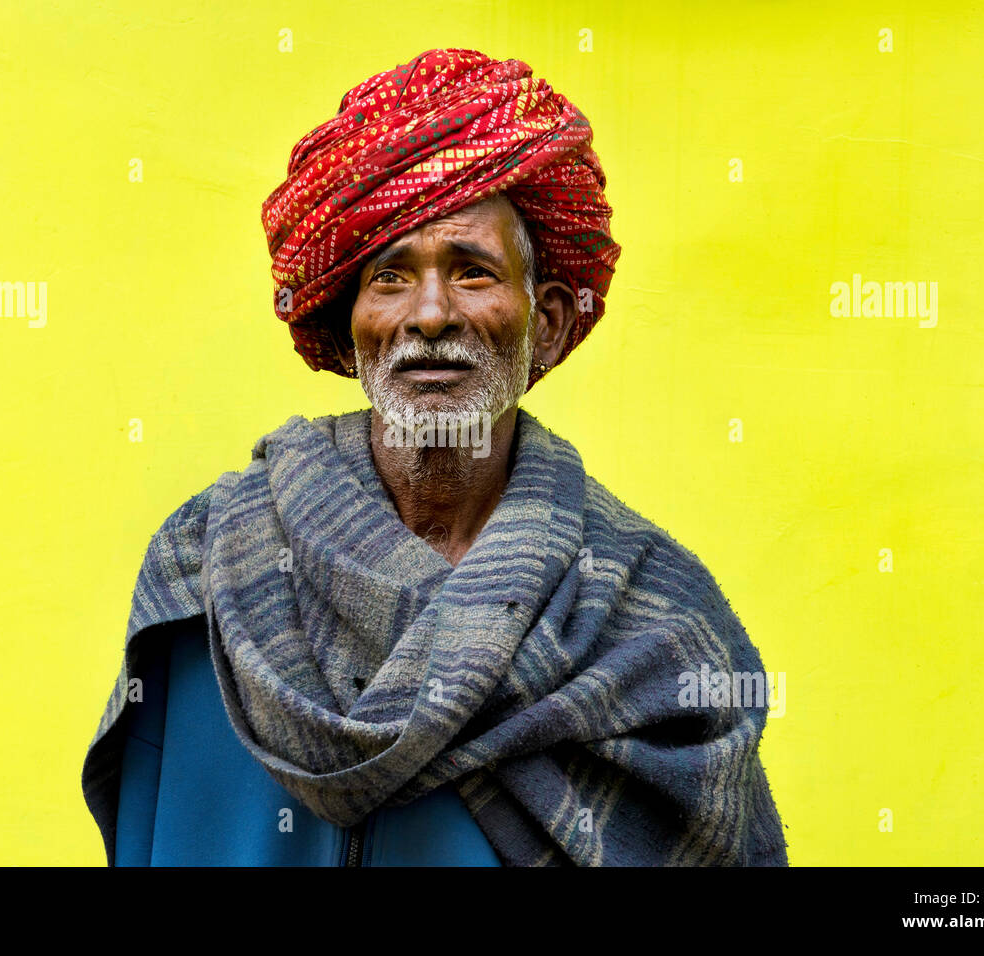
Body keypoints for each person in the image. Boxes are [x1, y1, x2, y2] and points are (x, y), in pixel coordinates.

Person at [81, 47, 788, 866]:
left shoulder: (651, 626)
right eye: (389, 277)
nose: (428, 314)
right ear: (351, 328)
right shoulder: (211, 565)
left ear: (547, 323)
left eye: (473, 272)